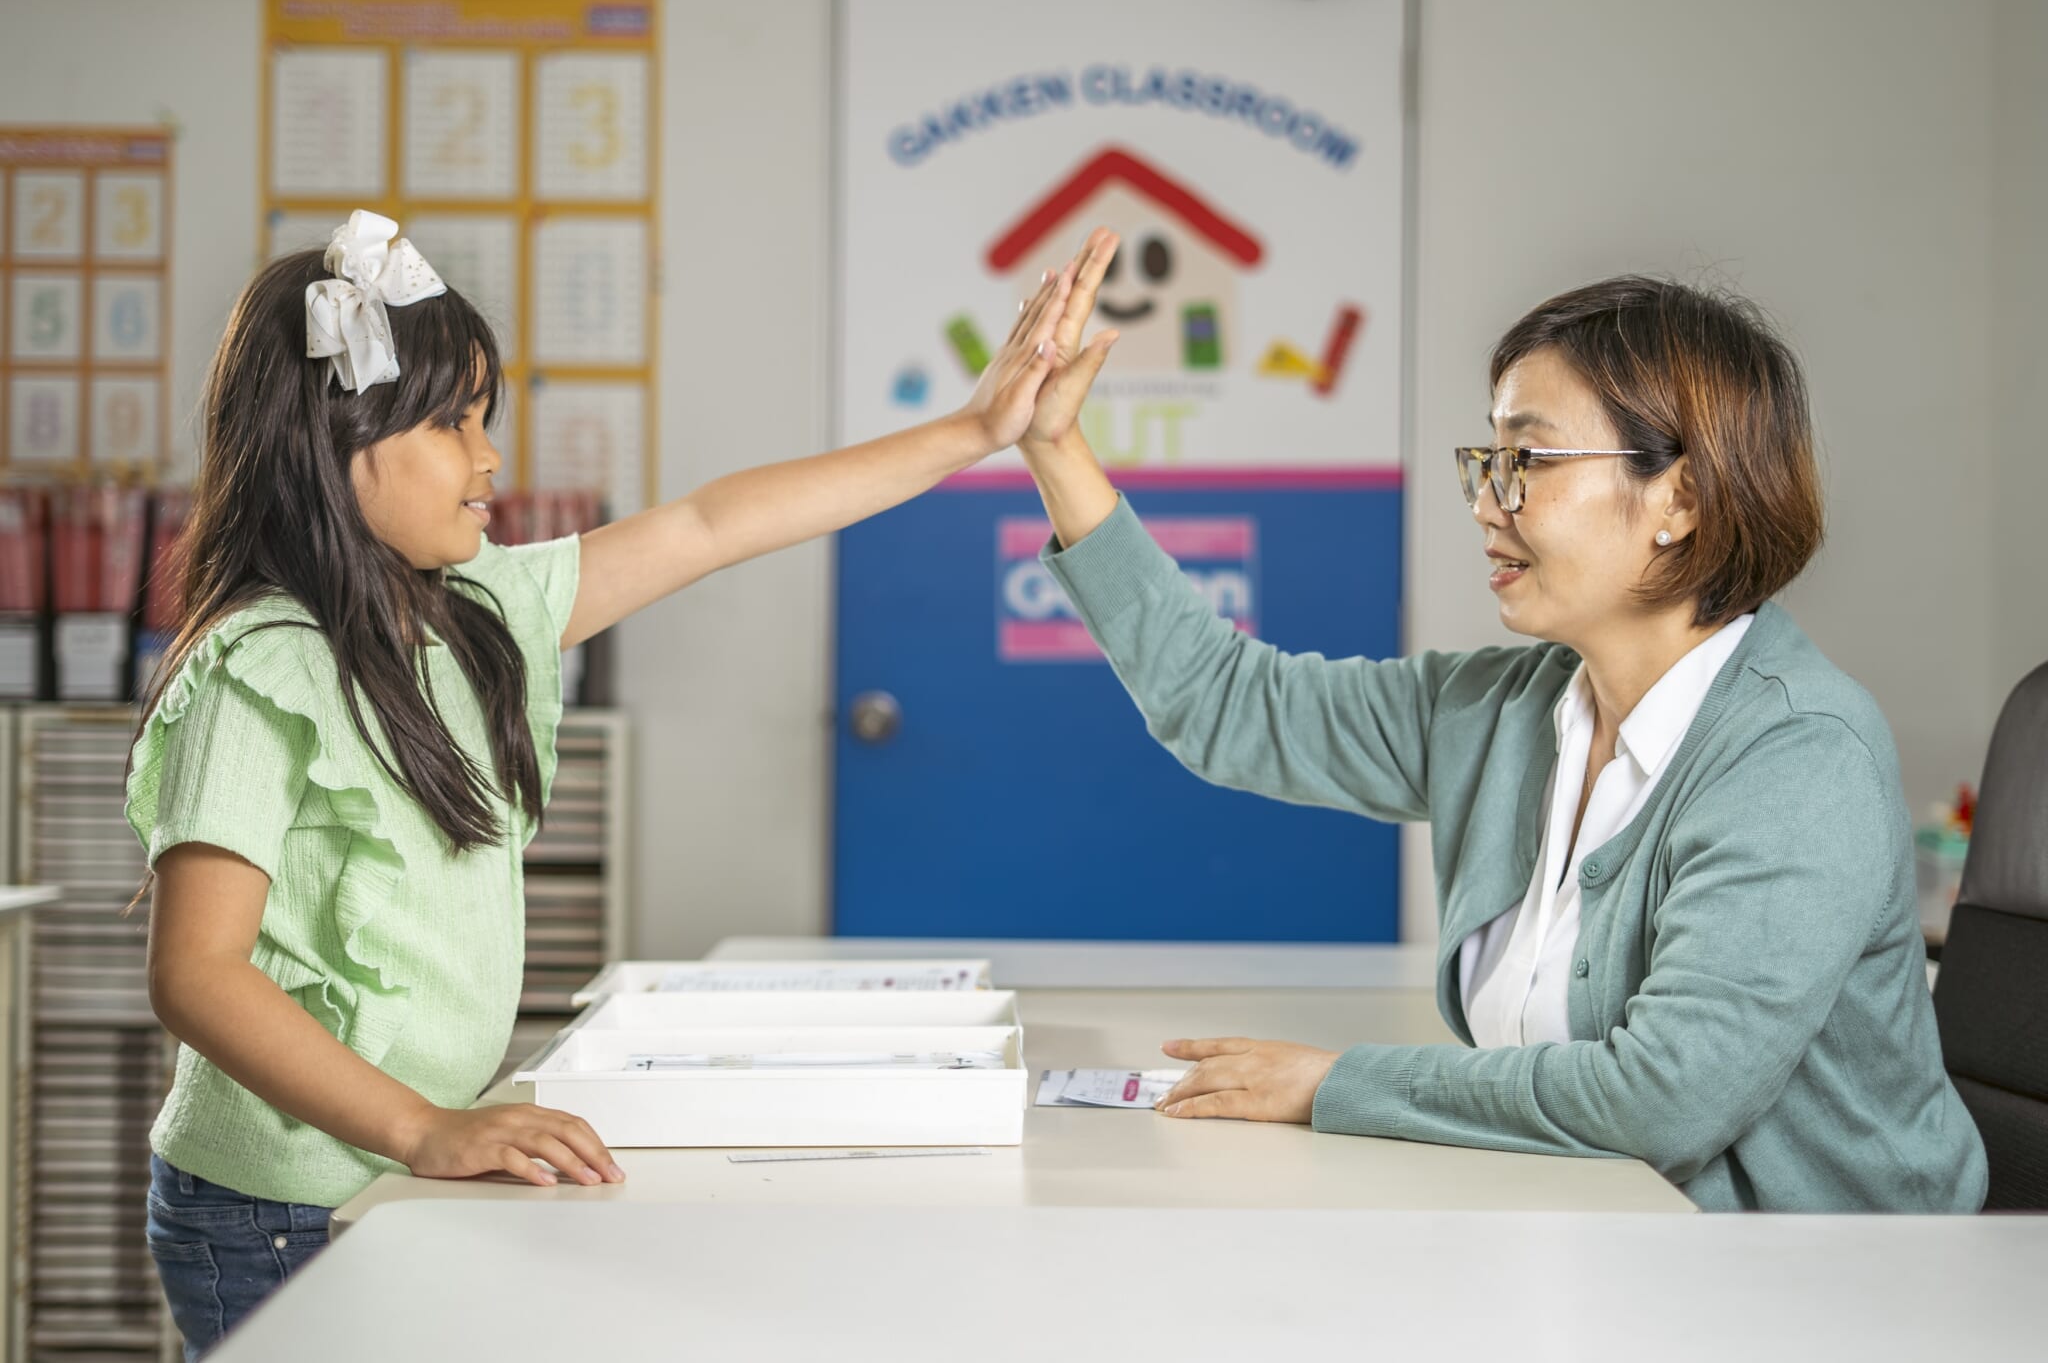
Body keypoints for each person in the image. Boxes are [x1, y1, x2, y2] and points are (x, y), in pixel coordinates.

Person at [130, 209, 1099, 1356]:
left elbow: (710, 523)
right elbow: (197, 974)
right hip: (274, 1205)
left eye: (485, 420)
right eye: (451, 423)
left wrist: (973, 430)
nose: (489, 459)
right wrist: (425, 1129)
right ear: (330, 438)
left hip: (391, 1167)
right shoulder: (260, 667)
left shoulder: (481, 611)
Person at [1011, 228, 1985, 1212]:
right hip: (1595, 1247)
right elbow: (1225, 704)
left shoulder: (1796, 757)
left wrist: (1331, 1085)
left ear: (1680, 496)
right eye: (1484, 458)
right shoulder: (1496, 710)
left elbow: (1664, 1100)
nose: (1485, 502)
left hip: (1823, 1295)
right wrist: (1054, 448)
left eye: (1526, 459)